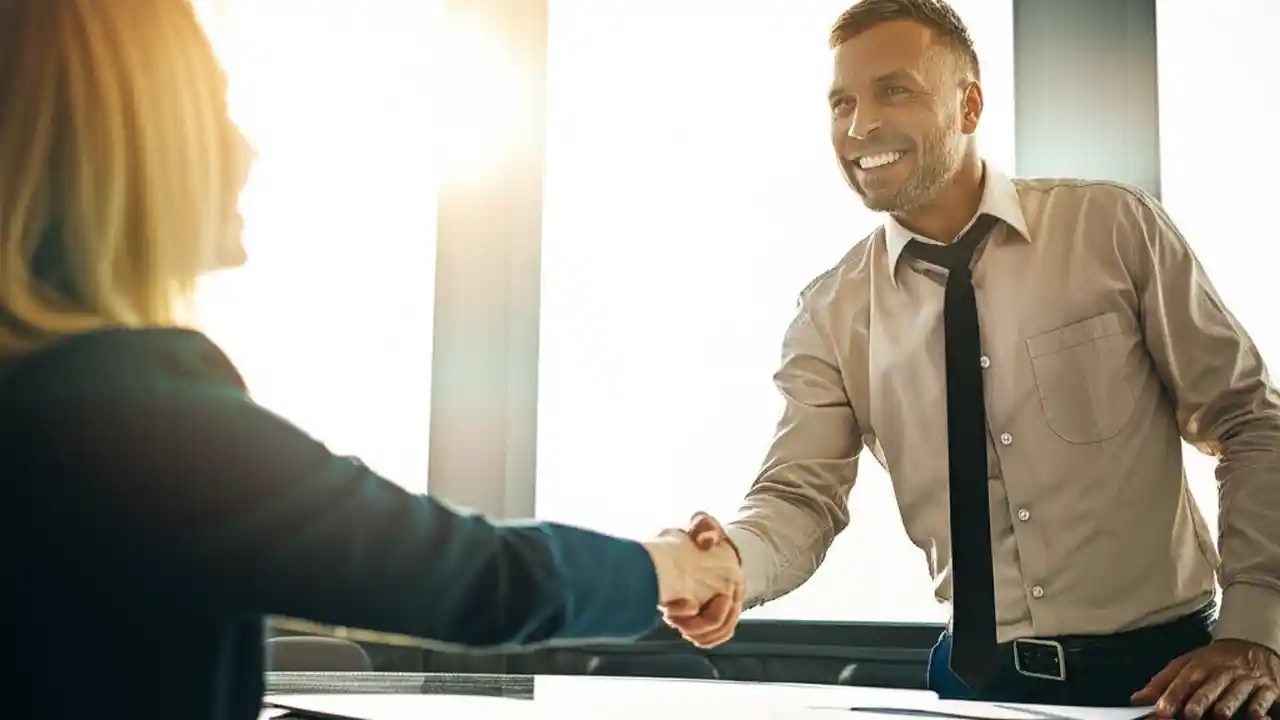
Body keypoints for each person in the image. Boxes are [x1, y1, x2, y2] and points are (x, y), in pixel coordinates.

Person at [0, 2, 741, 719]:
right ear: (123, 143)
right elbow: (468, 575)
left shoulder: (41, 401)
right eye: (215, 108)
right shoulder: (123, 413)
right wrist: (667, 567)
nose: (246, 149)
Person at [661, 0, 1280, 716]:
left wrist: (1256, 630)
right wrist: (729, 563)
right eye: (842, 102)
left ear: (970, 103)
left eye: (895, 90)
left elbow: (1247, 421)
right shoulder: (831, 314)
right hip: (970, 688)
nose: (860, 127)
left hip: (1167, 681)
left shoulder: (1113, 229)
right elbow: (799, 500)